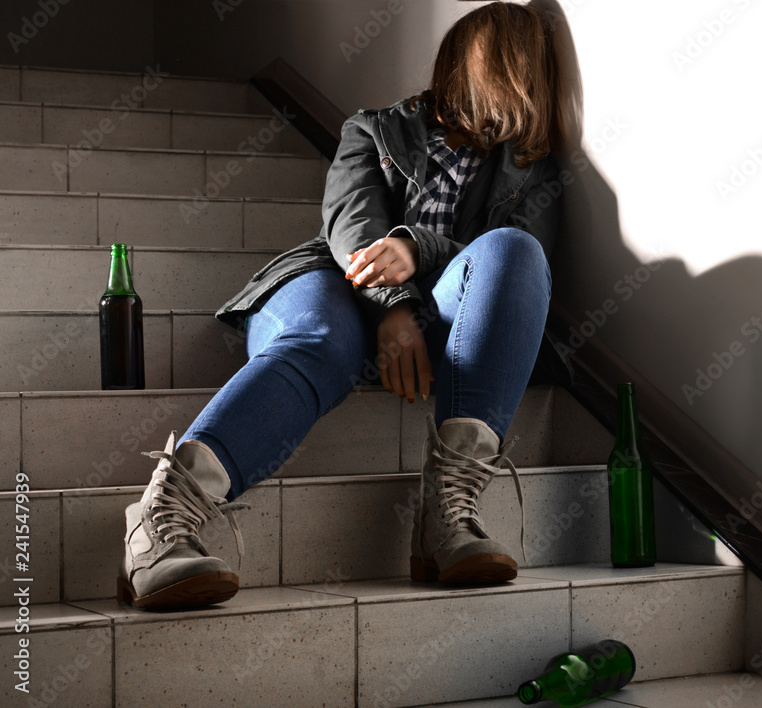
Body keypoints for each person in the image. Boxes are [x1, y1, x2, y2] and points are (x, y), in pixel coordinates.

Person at [118, 1, 570, 611]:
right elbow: (351, 225)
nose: (524, 81)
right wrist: (393, 308)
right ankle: (161, 518)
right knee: (324, 340)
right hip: (330, 282)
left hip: (442, 317)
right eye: (513, 64)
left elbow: (511, 277)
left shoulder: (533, 171)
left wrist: (418, 248)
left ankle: (447, 512)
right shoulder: (375, 130)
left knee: (516, 249)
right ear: (473, 63)